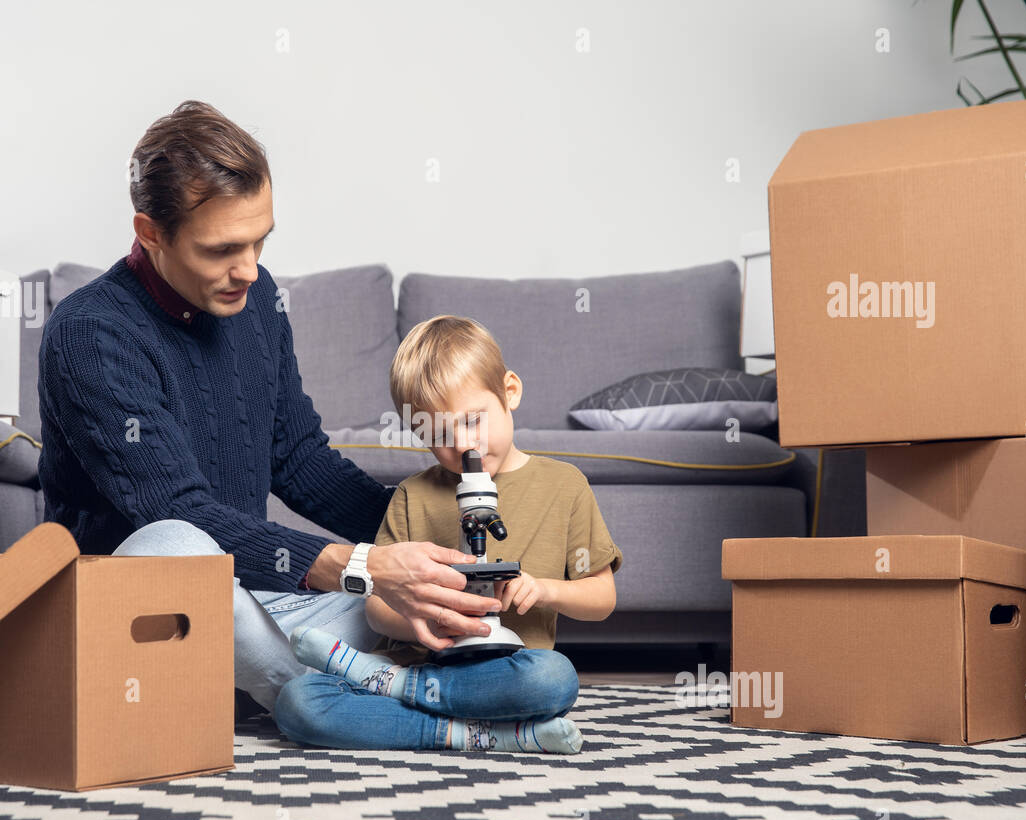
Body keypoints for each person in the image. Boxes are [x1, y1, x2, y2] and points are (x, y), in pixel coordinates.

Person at [37, 101, 501, 717]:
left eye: (260, 241)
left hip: (251, 612)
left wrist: (424, 537)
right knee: (175, 547)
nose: (249, 270)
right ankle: (331, 697)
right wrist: (361, 563)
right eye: (222, 248)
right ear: (150, 234)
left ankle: (327, 684)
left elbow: (300, 459)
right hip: (138, 617)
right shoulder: (90, 333)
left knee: (404, 603)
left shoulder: (258, 306)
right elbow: (176, 510)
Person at [274, 315, 624, 753]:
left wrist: (545, 590)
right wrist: (432, 616)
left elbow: (602, 598)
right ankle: (480, 733)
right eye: (438, 434)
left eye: (473, 421)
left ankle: (412, 706)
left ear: (509, 392)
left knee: (553, 678)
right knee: (298, 702)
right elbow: (377, 610)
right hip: (422, 664)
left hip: (503, 674)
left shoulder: (564, 485)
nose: (462, 446)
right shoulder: (411, 496)